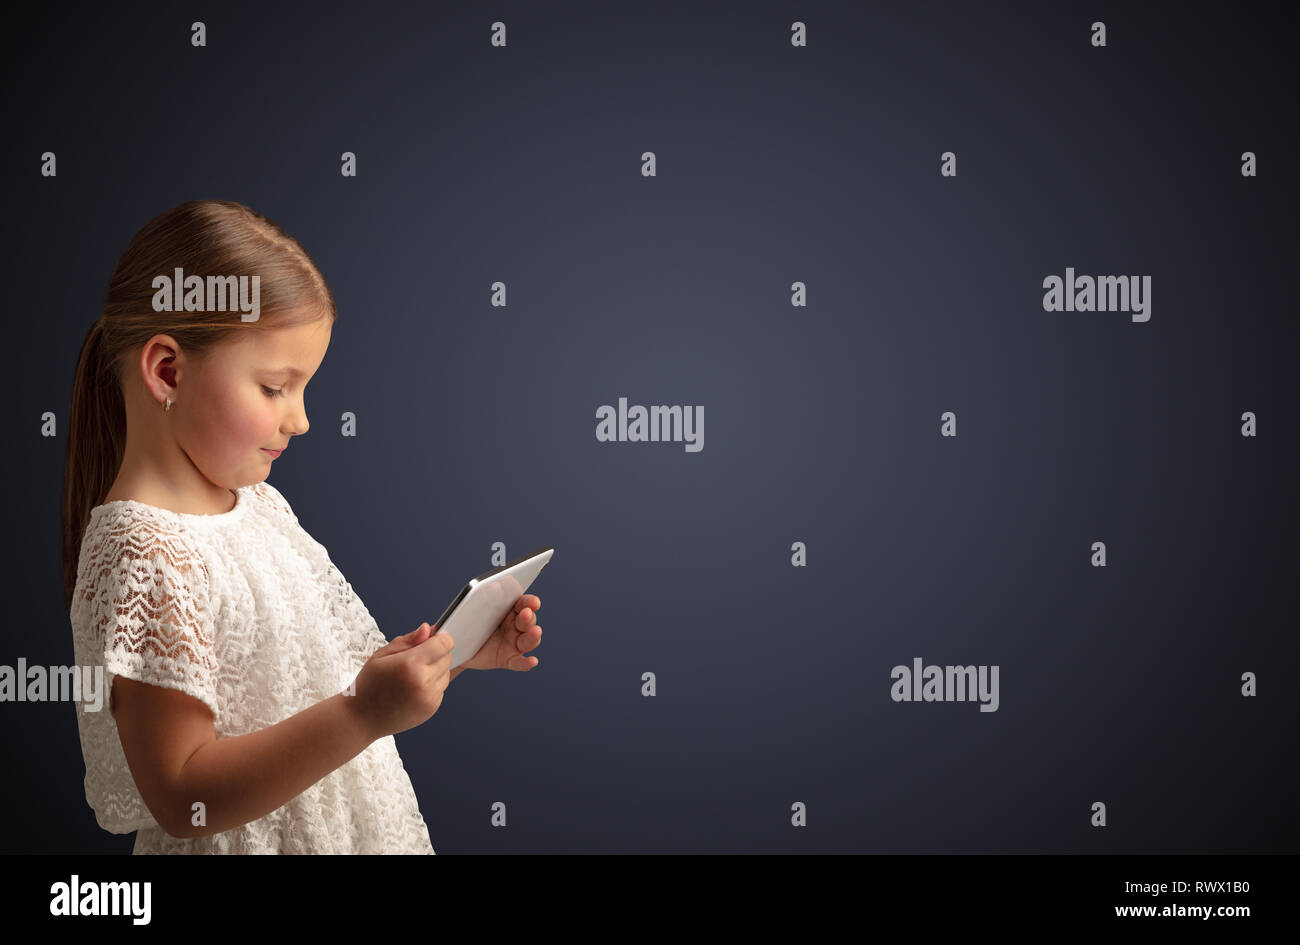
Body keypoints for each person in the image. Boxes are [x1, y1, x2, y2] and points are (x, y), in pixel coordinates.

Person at [61, 199, 543, 853]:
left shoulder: (258, 507)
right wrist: (362, 713)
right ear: (168, 371)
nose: (302, 419)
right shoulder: (145, 550)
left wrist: (448, 659)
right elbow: (181, 794)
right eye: (274, 387)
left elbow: (320, 683)